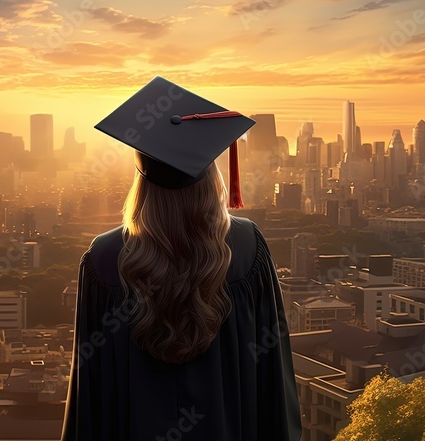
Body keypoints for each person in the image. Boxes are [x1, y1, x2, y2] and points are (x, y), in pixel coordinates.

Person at [61, 77, 302, 441]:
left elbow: (89, 391)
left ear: (141, 180)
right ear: (212, 175)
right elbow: (272, 373)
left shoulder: (103, 259)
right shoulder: (248, 247)